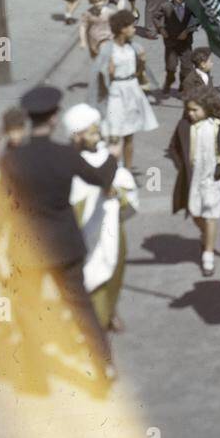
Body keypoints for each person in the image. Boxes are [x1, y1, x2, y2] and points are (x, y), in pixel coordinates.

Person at [0, 86, 119, 378]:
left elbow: (1, 210)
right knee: (81, 308)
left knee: (27, 309)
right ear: (53, 118)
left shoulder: (11, 159)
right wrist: (112, 156)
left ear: (28, 119)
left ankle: (36, 377)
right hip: (65, 245)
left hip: (26, 249)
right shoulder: (65, 154)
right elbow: (100, 178)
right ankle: (104, 367)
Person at [64, 103, 138, 335]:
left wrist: (119, 195)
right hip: (87, 230)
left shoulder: (106, 154)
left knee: (115, 269)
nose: (97, 135)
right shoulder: (71, 163)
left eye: (97, 131)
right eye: (91, 132)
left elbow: (123, 184)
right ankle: (94, 321)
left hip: (111, 225)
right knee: (92, 275)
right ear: (77, 136)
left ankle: (110, 311)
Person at [167, 86, 220, 276]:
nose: (191, 113)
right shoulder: (184, 126)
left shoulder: (219, 125)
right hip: (194, 176)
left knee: (211, 213)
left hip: (214, 176)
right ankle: (206, 235)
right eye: (188, 109)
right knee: (196, 212)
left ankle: (208, 254)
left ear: (208, 107)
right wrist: (183, 166)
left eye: (195, 110)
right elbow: (173, 148)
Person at [97, 10, 158, 169]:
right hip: (117, 92)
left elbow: (138, 73)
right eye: (131, 26)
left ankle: (128, 172)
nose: (134, 29)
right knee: (115, 134)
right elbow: (104, 76)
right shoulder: (110, 49)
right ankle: (112, 171)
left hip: (132, 90)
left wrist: (142, 62)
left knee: (129, 135)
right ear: (122, 29)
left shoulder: (133, 48)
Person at [155, 0, 197, 93]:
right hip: (171, 42)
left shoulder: (190, 6)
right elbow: (156, 17)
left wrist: (187, 30)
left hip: (185, 42)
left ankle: (184, 85)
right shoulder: (166, 6)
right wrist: (161, 29)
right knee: (171, 66)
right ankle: (169, 79)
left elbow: (196, 18)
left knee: (187, 67)